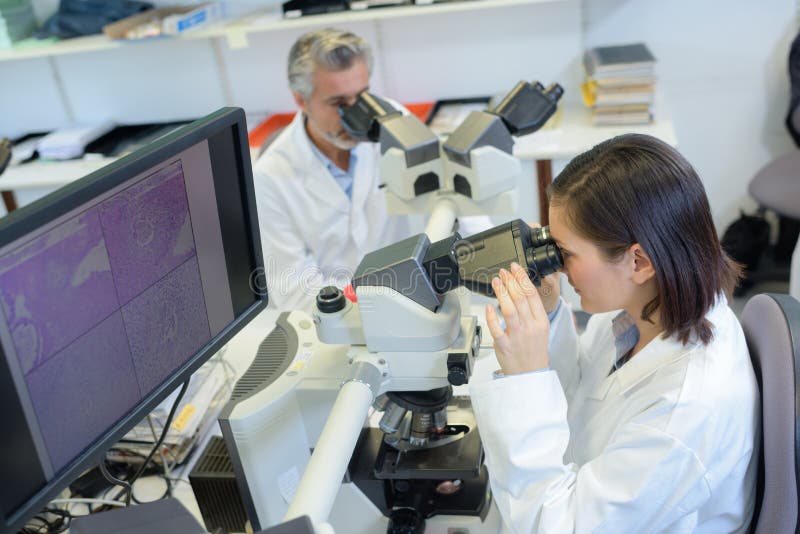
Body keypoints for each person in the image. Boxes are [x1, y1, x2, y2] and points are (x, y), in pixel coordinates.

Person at [469, 134, 760, 532]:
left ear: (639, 261)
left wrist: (525, 382)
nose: (558, 266)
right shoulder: (646, 310)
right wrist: (549, 310)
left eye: (566, 253)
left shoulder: (684, 412)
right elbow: (584, 389)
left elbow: (559, 526)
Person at [252, 28, 410, 311]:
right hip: (332, 324)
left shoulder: (393, 125)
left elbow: (454, 193)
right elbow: (295, 294)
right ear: (301, 100)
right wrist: (376, 304)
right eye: (338, 103)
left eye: (361, 96)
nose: (356, 116)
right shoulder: (269, 179)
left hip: (407, 300)